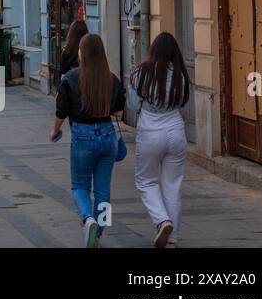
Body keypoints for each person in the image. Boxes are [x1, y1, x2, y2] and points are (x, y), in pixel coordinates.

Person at [51, 33, 126, 247]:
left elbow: (61, 111)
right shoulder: (112, 79)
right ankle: (98, 234)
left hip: (82, 135)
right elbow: (119, 113)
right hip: (107, 135)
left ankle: (88, 219)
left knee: (79, 186)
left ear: (82, 53)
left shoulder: (71, 78)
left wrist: (54, 131)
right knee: (103, 190)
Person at [131, 32, 191, 248]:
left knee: (145, 181)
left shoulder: (141, 72)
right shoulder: (181, 76)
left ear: (153, 50)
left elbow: (131, 104)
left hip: (150, 130)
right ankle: (172, 241)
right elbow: (183, 104)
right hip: (175, 130)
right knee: (172, 186)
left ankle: (162, 220)